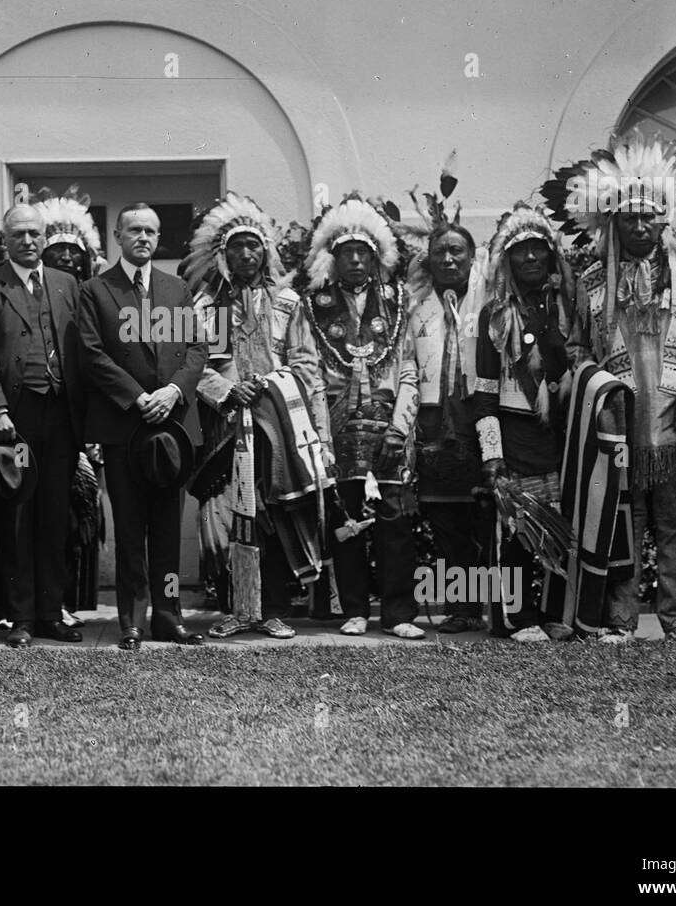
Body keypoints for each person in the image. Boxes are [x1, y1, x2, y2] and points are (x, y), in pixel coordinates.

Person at [542, 129, 676, 642]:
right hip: (618, 429)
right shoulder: (594, 280)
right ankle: (617, 622)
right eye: (628, 217)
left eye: (649, 216)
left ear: (664, 217)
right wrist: (597, 397)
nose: (640, 226)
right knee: (621, 526)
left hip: (674, 431)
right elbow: (578, 349)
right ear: (612, 222)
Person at [181, 193, 333, 640]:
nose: (246, 254)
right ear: (222, 254)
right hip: (224, 427)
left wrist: (272, 385)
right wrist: (227, 390)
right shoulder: (203, 306)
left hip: (276, 427)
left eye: (253, 246)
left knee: (275, 513)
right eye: (236, 247)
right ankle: (236, 607)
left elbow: (307, 364)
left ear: (266, 251)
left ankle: (272, 609)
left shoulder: (288, 302)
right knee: (227, 515)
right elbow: (190, 363)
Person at [78, 203, 209, 650]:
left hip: (172, 427)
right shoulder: (95, 291)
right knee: (130, 527)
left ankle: (168, 616)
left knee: (168, 529)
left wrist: (173, 392)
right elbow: (93, 353)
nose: (143, 237)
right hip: (125, 426)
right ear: (117, 235)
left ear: (158, 238)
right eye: (134, 230)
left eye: (151, 231)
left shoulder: (178, 289)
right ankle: (131, 620)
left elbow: (196, 348)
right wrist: (138, 398)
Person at [301, 194, 422, 638]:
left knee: (393, 523)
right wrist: (320, 433)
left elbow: (409, 368)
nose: (354, 259)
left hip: (388, 426)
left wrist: (400, 426)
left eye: (362, 252)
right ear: (332, 258)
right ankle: (353, 608)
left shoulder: (397, 302)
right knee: (346, 522)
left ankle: (399, 614)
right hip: (338, 427)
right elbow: (312, 373)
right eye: (346, 252)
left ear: (375, 258)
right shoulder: (314, 305)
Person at [0, 204, 87, 648]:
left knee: (56, 515)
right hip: (17, 420)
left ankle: (50, 612)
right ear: (5, 239)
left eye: (35, 233)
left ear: (45, 236)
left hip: (60, 418)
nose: (28, 241)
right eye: (18, 234)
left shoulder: (65, 284)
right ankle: (19, 616)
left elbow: (81, 349)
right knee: (19, 513)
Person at [472, 202, 578, 643]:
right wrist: (492, 455)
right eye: (521, 250)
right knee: (515, 531)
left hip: (563, 436)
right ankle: (518, 618)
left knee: (559, 529)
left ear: (552, 255)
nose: (531, 257)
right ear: (507, 260)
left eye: (539, 249)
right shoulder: (494, 316)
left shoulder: (571, 308)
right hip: (514, 436)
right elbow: (483, 393)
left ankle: (554, 612)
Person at [402, 158, 491, 635]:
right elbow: (409, 371)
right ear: (429, 261)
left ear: (473, 258)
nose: (450, 260)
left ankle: (504, 606)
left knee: (489, 517)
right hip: (436, 429)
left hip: (483, 422)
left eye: (458, 252)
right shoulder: (417, 309)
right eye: (441, 254)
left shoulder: (491, 304)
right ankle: (462, 609)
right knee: (447, 524)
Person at [33, 186, 107, 622]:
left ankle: (71, 600)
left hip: (88, 421)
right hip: (44, 420)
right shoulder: (35, 297)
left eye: (72, 254)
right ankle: (39, 600)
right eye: (55, 251)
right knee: (40, 509)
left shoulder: (94, 298)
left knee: (79, 513)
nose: (65, 259)